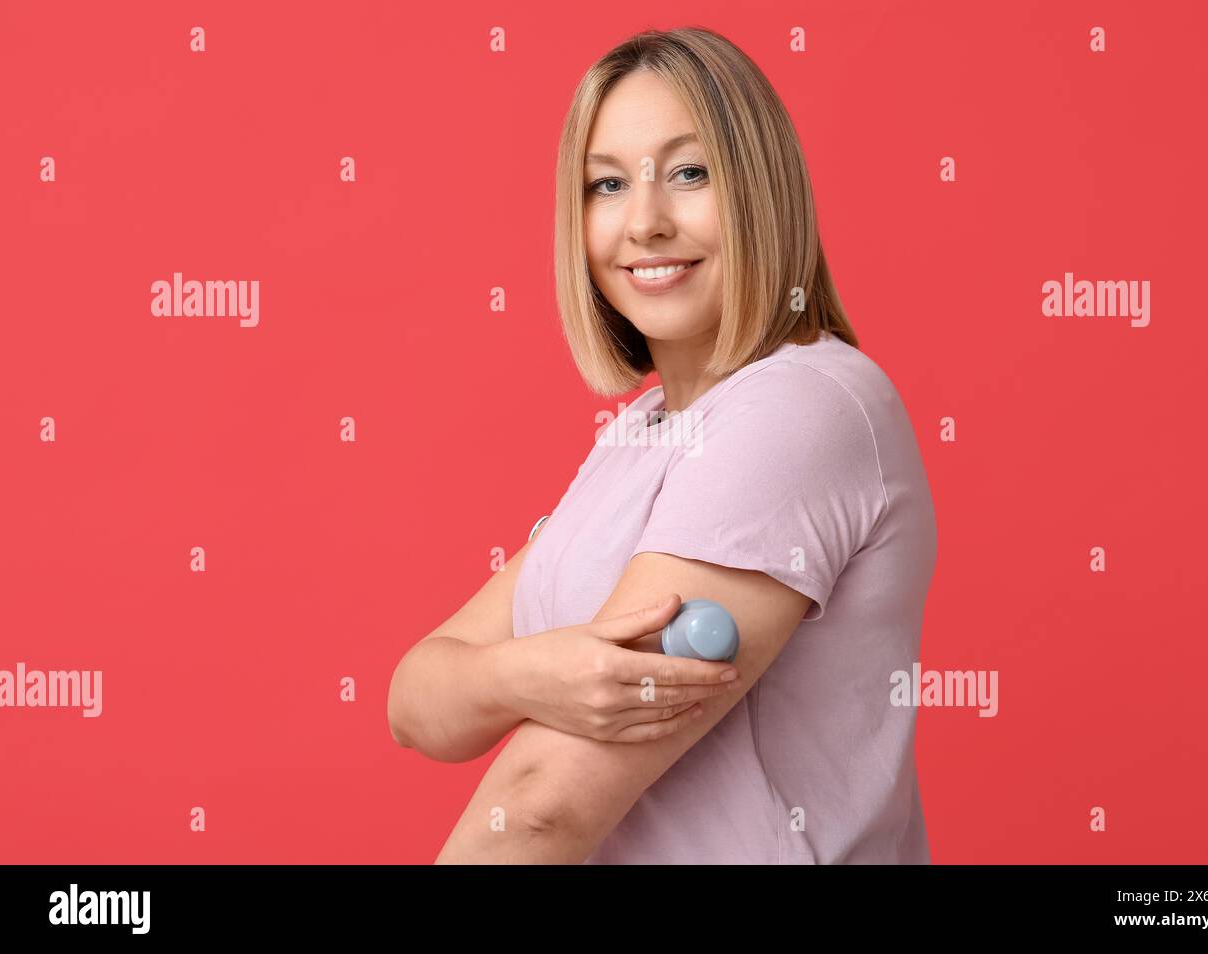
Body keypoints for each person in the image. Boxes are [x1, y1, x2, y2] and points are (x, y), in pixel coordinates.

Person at [387, 26, 937, 864]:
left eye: (689, 173)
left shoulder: (799, 407)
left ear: (761, 191)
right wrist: (533, 675)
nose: (643, 223)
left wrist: (509, 681)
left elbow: (539, 807)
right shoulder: (637, 435)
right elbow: (415, 701)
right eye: (607, 184)